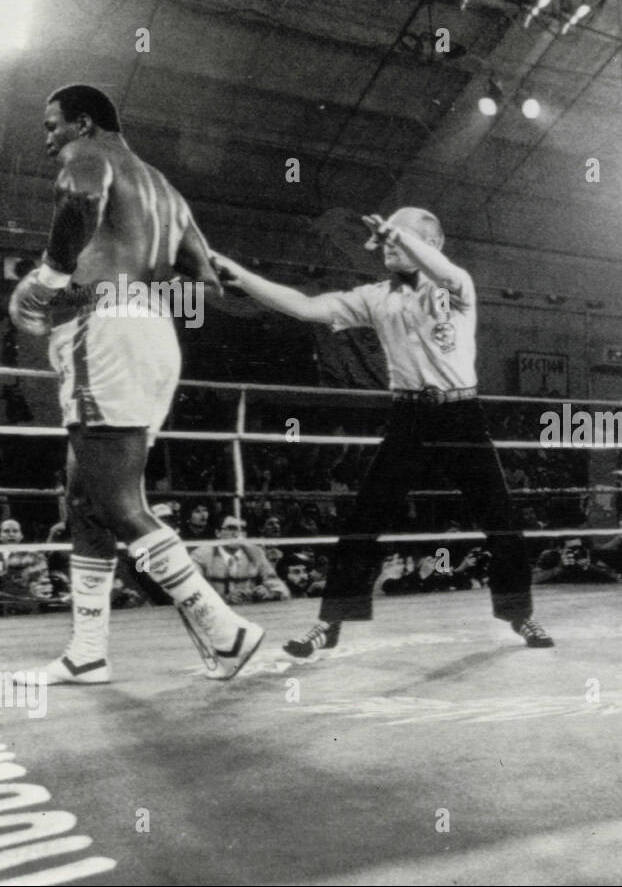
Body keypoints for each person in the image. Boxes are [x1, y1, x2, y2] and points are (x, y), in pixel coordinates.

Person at [8, 83, 262, 683]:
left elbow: (81, 197)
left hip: (104, 333)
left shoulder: (89, 154)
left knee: (119, 504)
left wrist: (51, 279)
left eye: (53, 126)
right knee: (85, 499)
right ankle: (88, 652)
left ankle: (225, 630)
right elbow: (205, 286)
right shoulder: (166, 191)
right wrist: (134, 291)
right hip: (152, 337)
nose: (49, 141)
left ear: (84, 123)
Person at [212, 207, 553, 655]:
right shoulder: (374, 297)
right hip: (409, 415)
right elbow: (304, 306)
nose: (389, 244)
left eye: (401, 236)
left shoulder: (456, 286)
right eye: (389, 237)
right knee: (364, 520)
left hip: (460, 413)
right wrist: (238, 274)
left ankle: (520, 615)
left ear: (431, 244)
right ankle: (330, 622)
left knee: (501, 520)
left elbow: (442, 269)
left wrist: (396, 234)